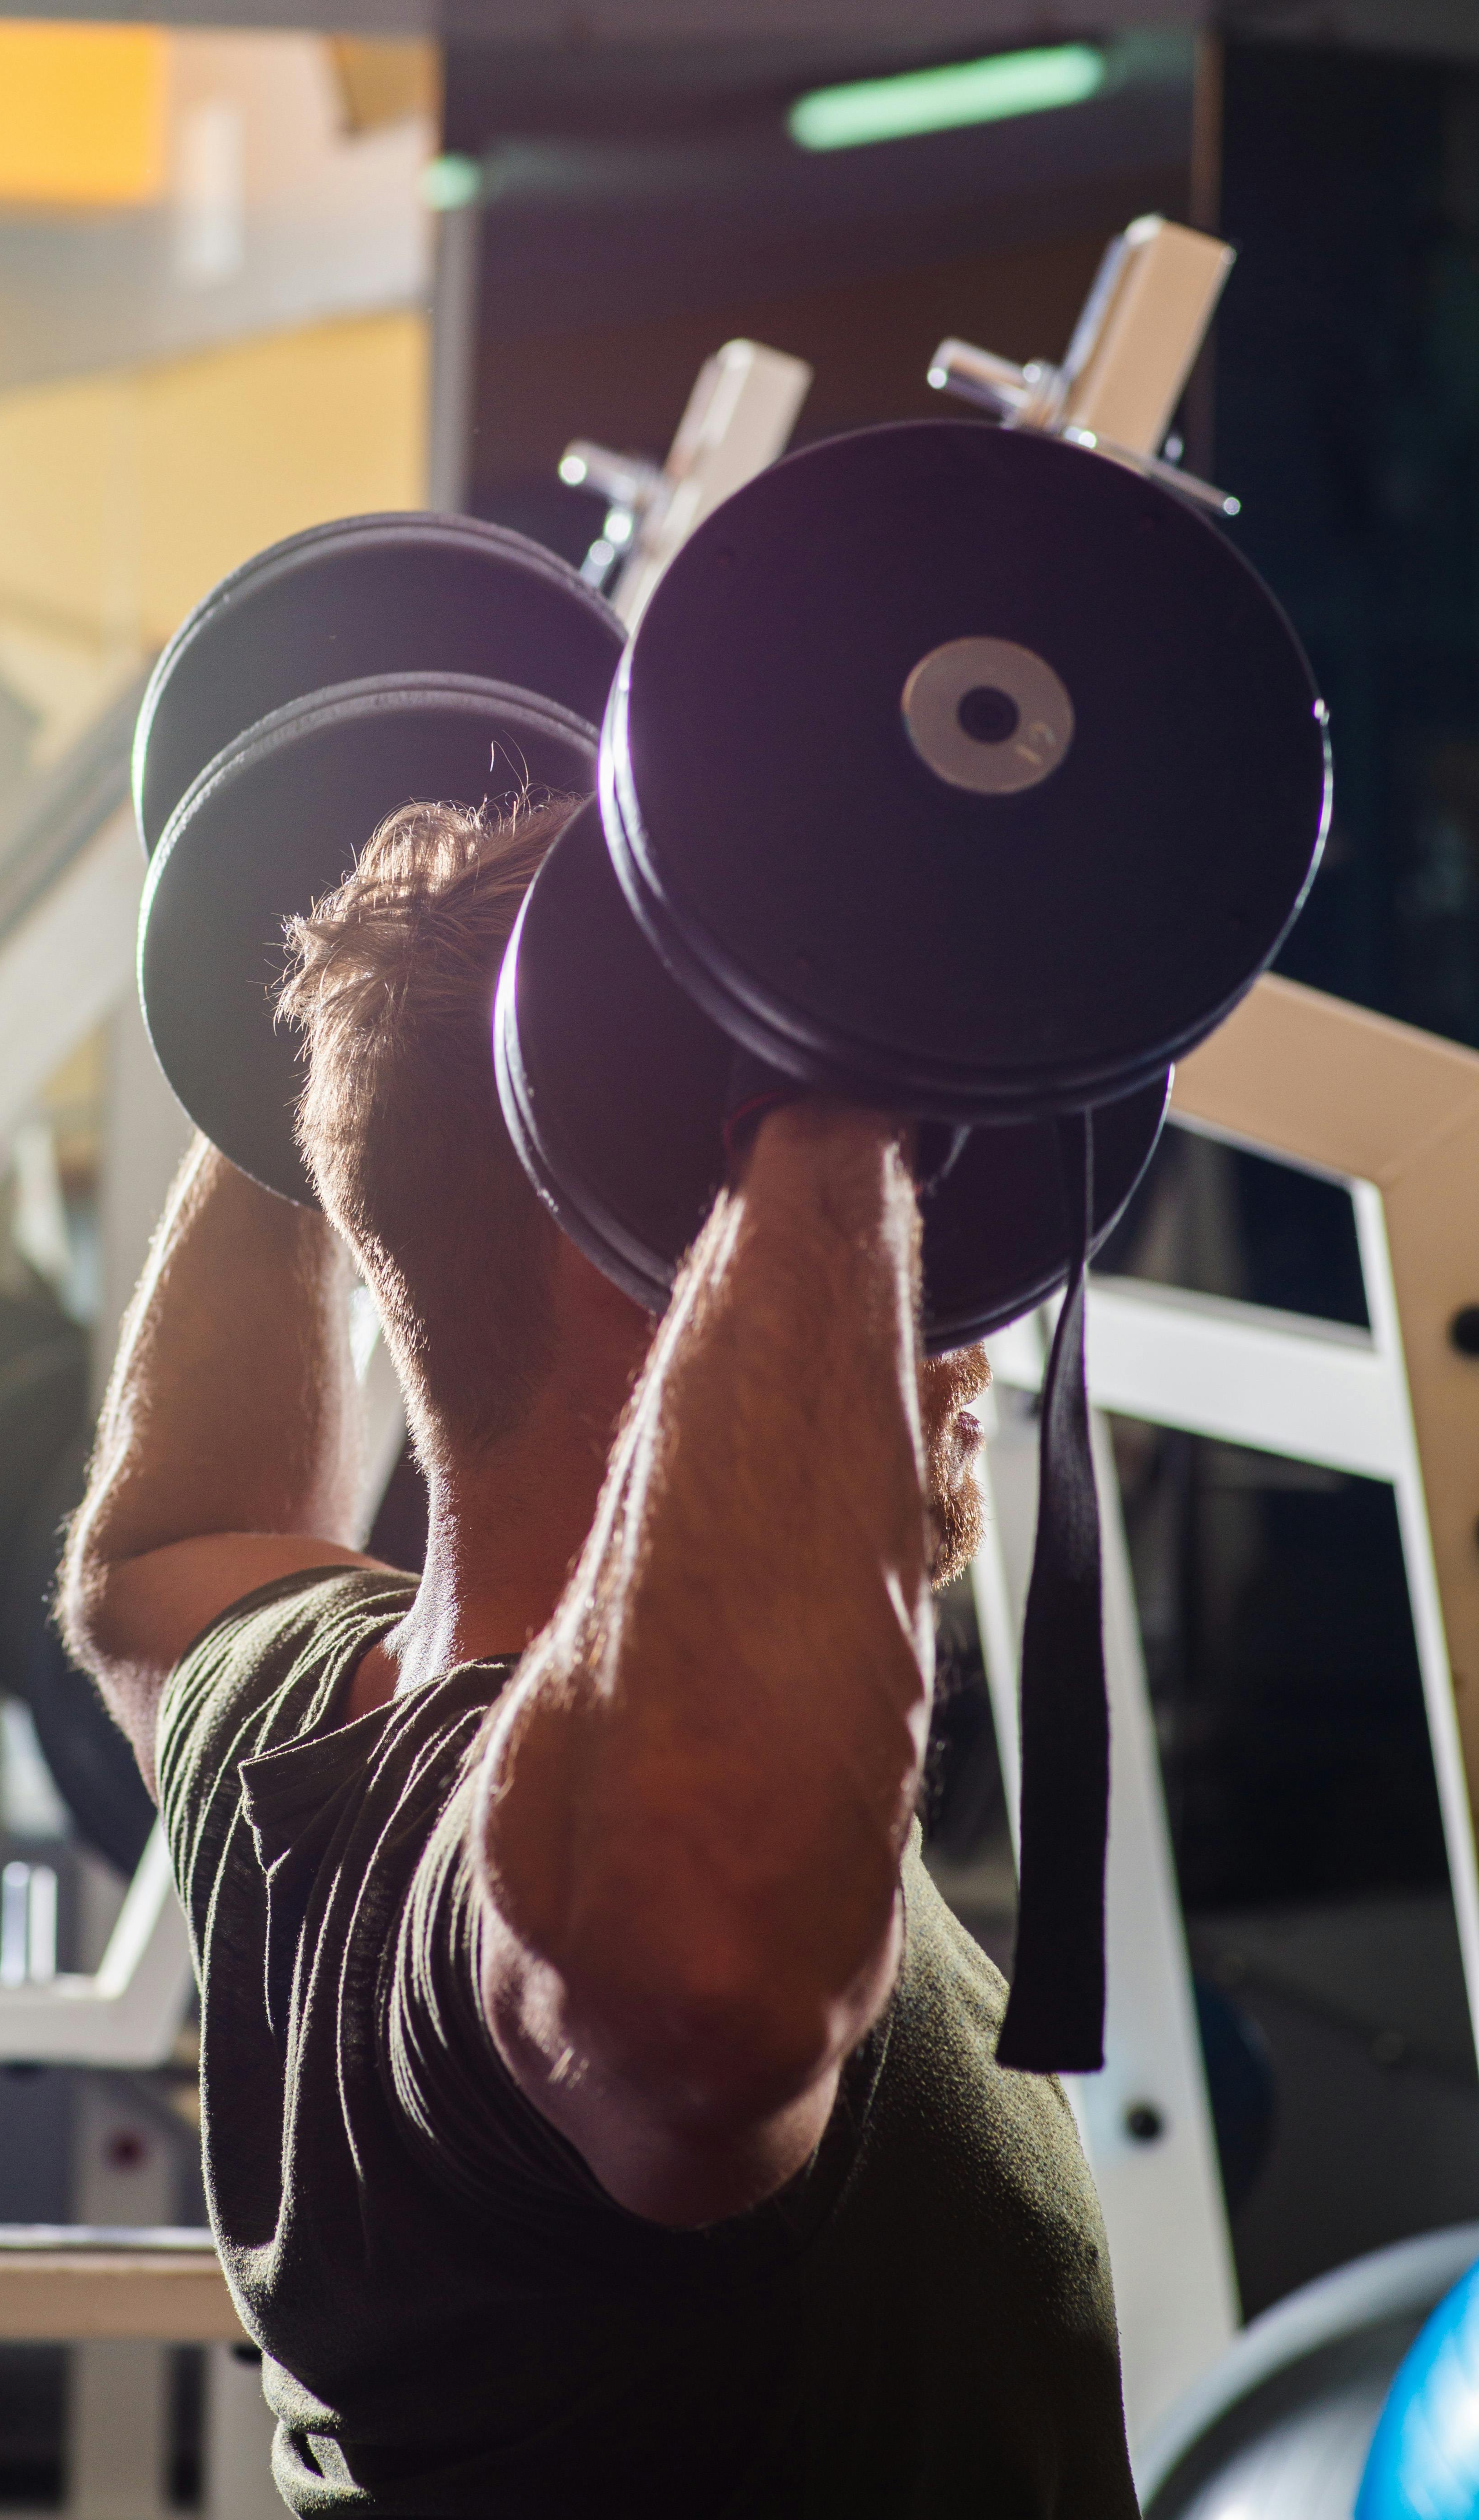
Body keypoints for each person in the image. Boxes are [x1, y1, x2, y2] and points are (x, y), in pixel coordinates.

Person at [61, 791, 1138, 2515]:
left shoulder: (294, 1717)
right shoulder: (540, 1899)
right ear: (649, 1227)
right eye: (909, 1215)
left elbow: (151, 1550)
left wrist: (311, 1034)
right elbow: (704, 1971)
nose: (957, 1318)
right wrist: (833, 1081)